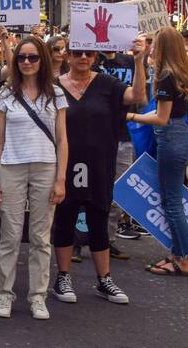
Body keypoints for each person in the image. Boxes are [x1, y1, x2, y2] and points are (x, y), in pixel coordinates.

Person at [50, 38, 148, 307]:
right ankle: (63, 276)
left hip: (100, 163)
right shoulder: (55, 86)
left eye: (88, 52)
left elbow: (138, 97)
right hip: (65, 165)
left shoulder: (107, 84)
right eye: (77, 52)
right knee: (65, 217)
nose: (83, 57)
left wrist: (139, 61)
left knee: (99, 217)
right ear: (67, 56)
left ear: (95, 56)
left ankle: (104, 279)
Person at [0, 36, 68, 320]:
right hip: (11, 166)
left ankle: (37, 296)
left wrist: (61, 179)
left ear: (42, 60)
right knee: (9, 234)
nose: (27, 63)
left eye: (33, 57)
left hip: (46, 166)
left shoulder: (55, 94)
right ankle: (4, 295)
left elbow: (62, 139)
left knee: (40, 236)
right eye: (22, 57)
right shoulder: (6, 94)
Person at [131, 26, 188, 277]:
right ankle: (178, 252)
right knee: (172, 199)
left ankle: (182, 258)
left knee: (171, 202)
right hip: (179, 134)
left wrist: (130, 115)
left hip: (171, 137)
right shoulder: (179, 72)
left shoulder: (166, 76)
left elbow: (161, 118)